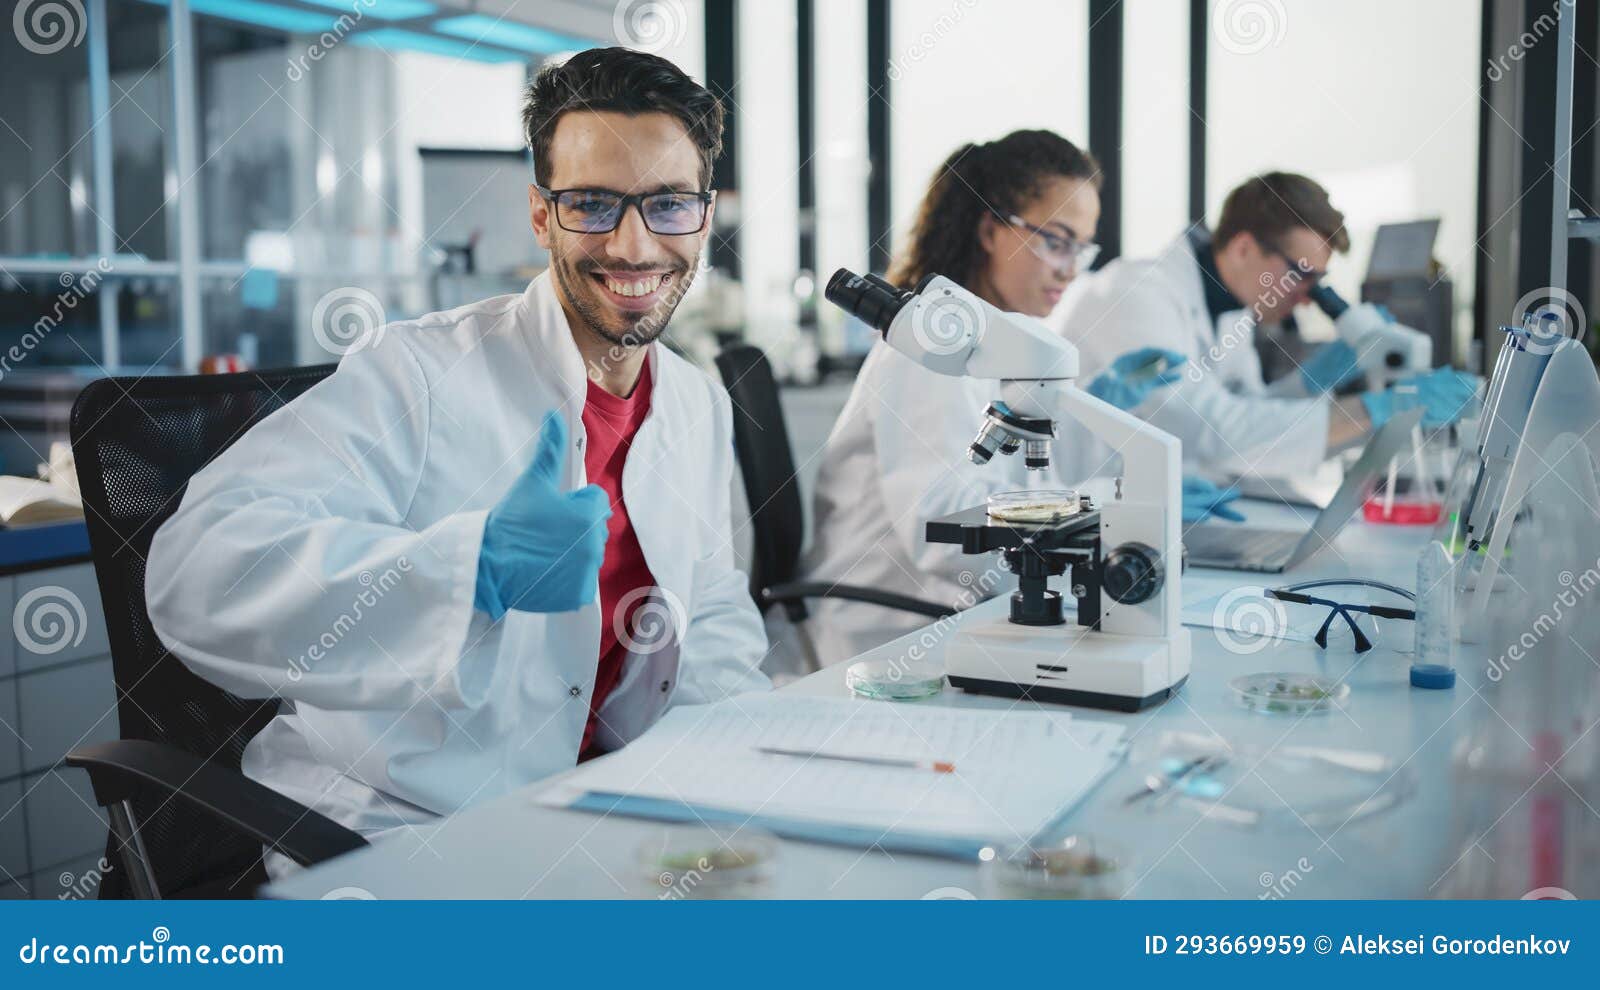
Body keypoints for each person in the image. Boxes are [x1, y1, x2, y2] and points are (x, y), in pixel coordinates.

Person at [145, 48, 769, 873]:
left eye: (668, 205)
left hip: (601, 813)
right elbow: (195, 573)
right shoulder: (418, 374)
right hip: (403, 823)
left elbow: (712, 615)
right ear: (541, 216)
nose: (633, 244)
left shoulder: (696, 404)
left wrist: (752, 768)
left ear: (704, 215)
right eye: (591, 204)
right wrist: (472, 570)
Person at [800, 131, 1174, 668]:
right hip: (888, 631)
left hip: (956, 611)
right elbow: (942, 535)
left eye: (1082, 248)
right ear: (991, 230)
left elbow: (1018, 485)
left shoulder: (1002, 347)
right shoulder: (932, 352)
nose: (1070, 269)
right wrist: (1103, 525)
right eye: (1057, 241)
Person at [1047, 172, 1478, 487]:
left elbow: (1251, 412)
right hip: (1082, 513)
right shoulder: (1139, 294)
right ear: (1243, 248)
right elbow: (1221, 433)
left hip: (1156, 507)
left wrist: (1308, 384)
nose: (1307, 298)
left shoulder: (1233, 310)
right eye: (1302, 275)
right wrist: (1380, 409)